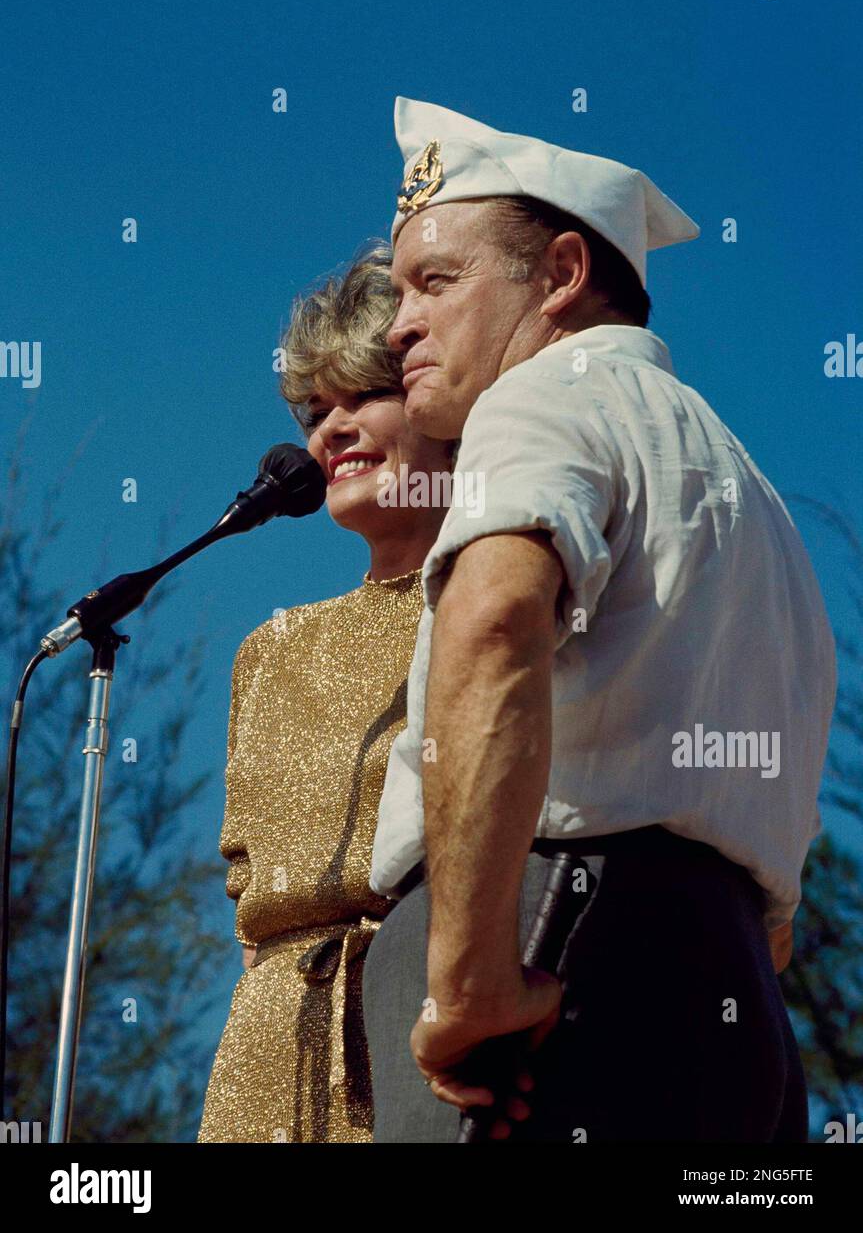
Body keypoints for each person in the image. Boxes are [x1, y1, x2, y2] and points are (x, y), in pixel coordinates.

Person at [362, 98, 837, 1143]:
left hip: (546, 959)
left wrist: (469, 972)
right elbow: (776, 914)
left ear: (561, 274)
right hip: (732, 1018)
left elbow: (494, 625)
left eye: (434, 281)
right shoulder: (755, 504)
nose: (397, 323)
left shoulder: (538, 398)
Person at [198, 243, 453, 1143]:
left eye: (364, 395)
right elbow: (243, 894)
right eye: (316, 408)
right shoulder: (270, 648)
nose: (329, 431)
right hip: (263, 1051)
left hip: (424, 1023)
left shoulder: (504, 608)